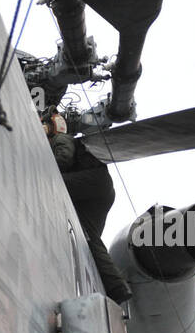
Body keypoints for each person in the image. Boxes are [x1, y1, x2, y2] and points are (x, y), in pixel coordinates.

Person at [48, 127, 132, 303]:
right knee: (88, 237)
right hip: (100, 188)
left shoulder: (61, 137)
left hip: (92, 182)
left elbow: (63, 159)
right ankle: (117, 288)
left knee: (49, 181)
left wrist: (42, 163)